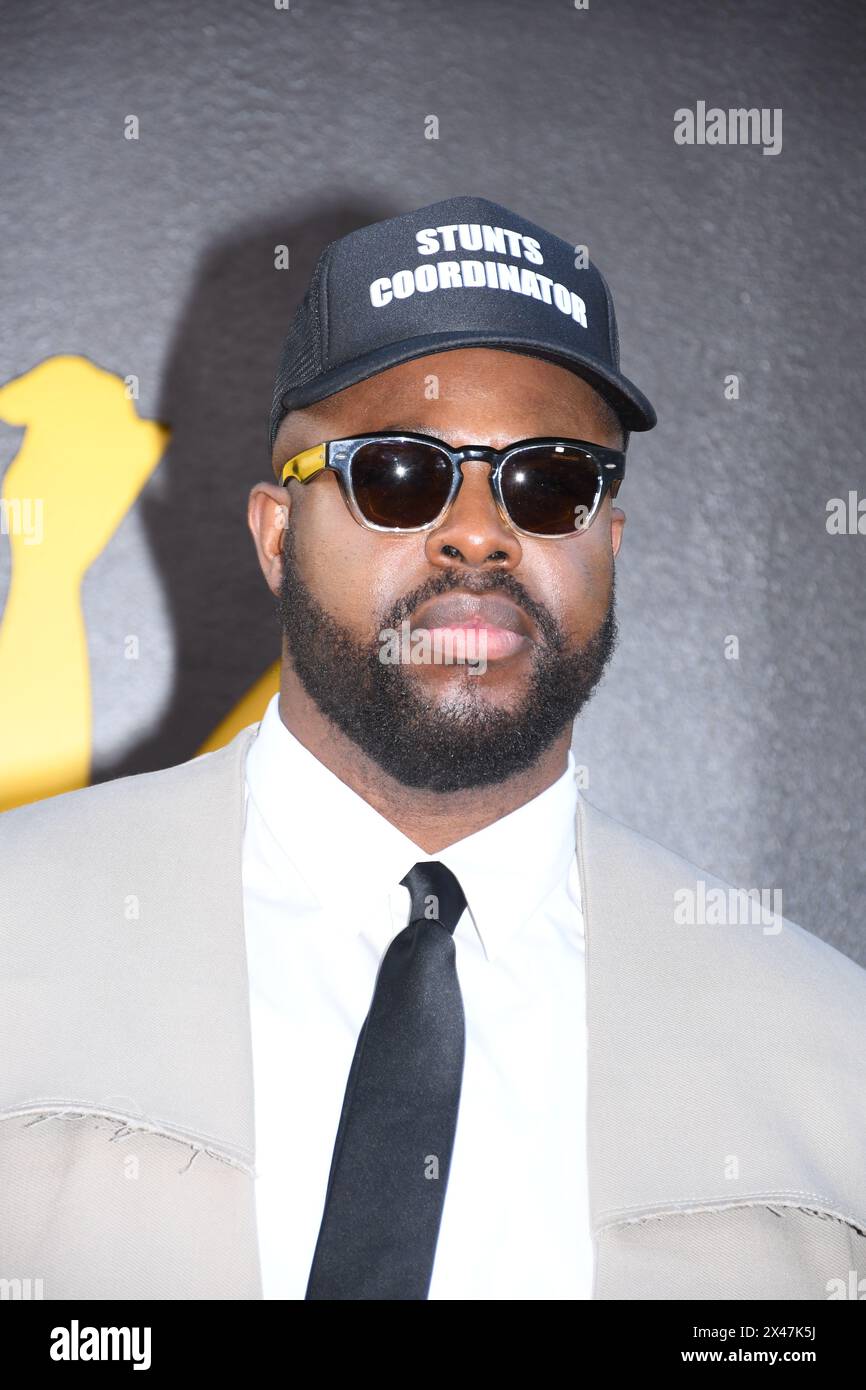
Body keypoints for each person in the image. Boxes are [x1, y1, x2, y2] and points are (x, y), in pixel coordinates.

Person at [1, 195, 864, 1302]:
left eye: (549, 482)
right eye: (398, 472)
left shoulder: (823, 1069)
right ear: (277, 535)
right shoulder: (23, 937)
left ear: (608, 540)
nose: (478, 531)